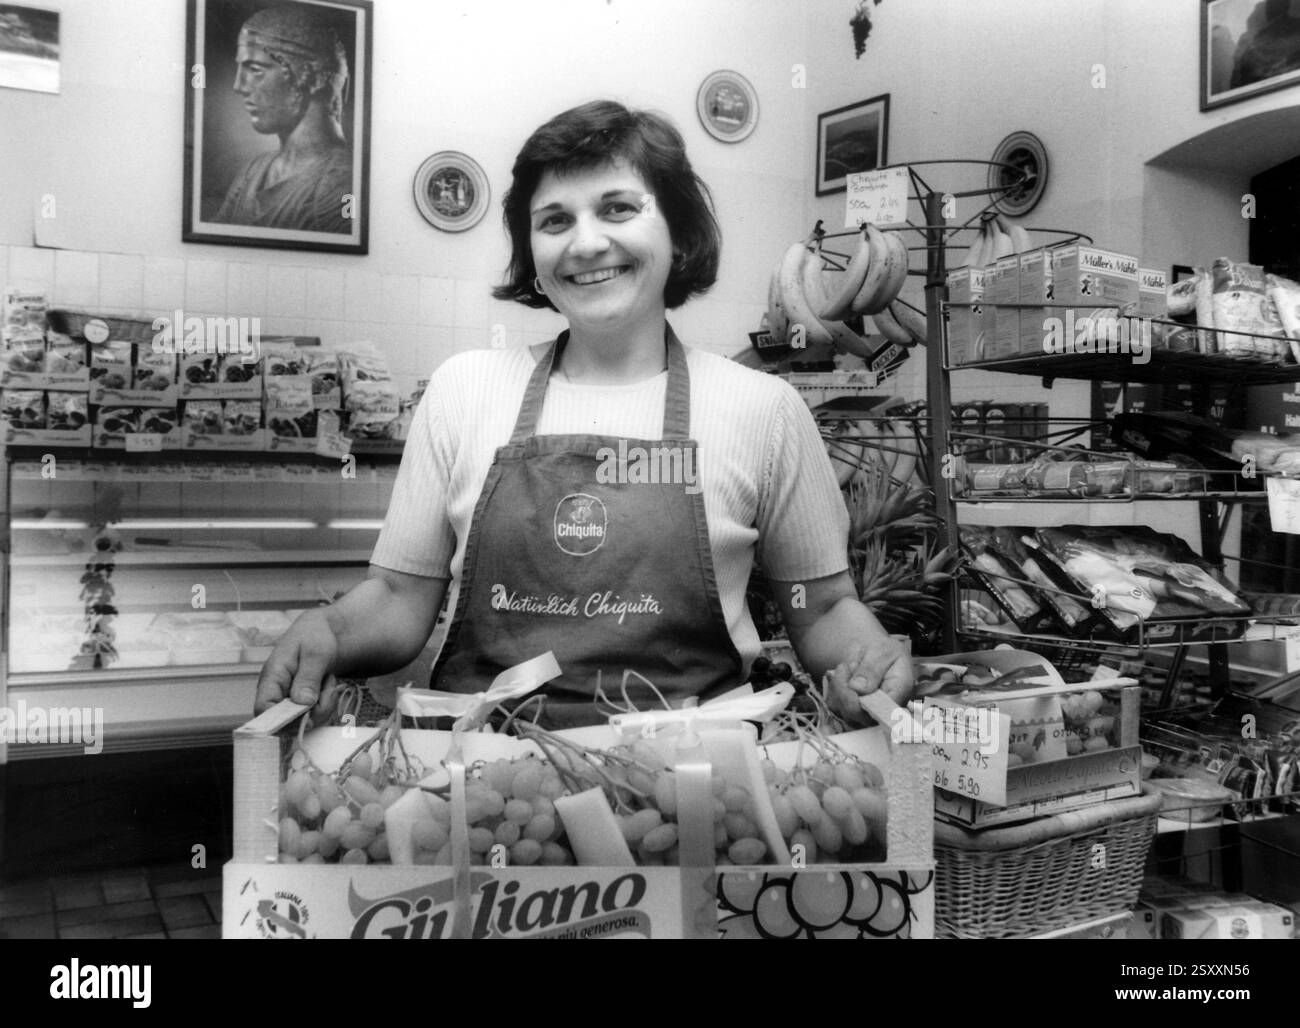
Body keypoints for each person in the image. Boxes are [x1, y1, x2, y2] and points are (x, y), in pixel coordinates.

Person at [254, 100, 913, 727]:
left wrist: (868, 658)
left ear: (679, 234)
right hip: (485, 793)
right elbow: (400, 602)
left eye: (618, 208)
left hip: (696, 794)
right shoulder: (463, 391)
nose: (587, 242)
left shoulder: (763, 409)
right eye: (555, 220)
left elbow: (820, 609)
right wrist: (329, 629)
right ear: (533, 258)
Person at [212, 4, 353, 233]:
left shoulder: (340, 183)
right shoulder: (254, 171)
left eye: (255, 69)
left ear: (305, 75)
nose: (238, 86)